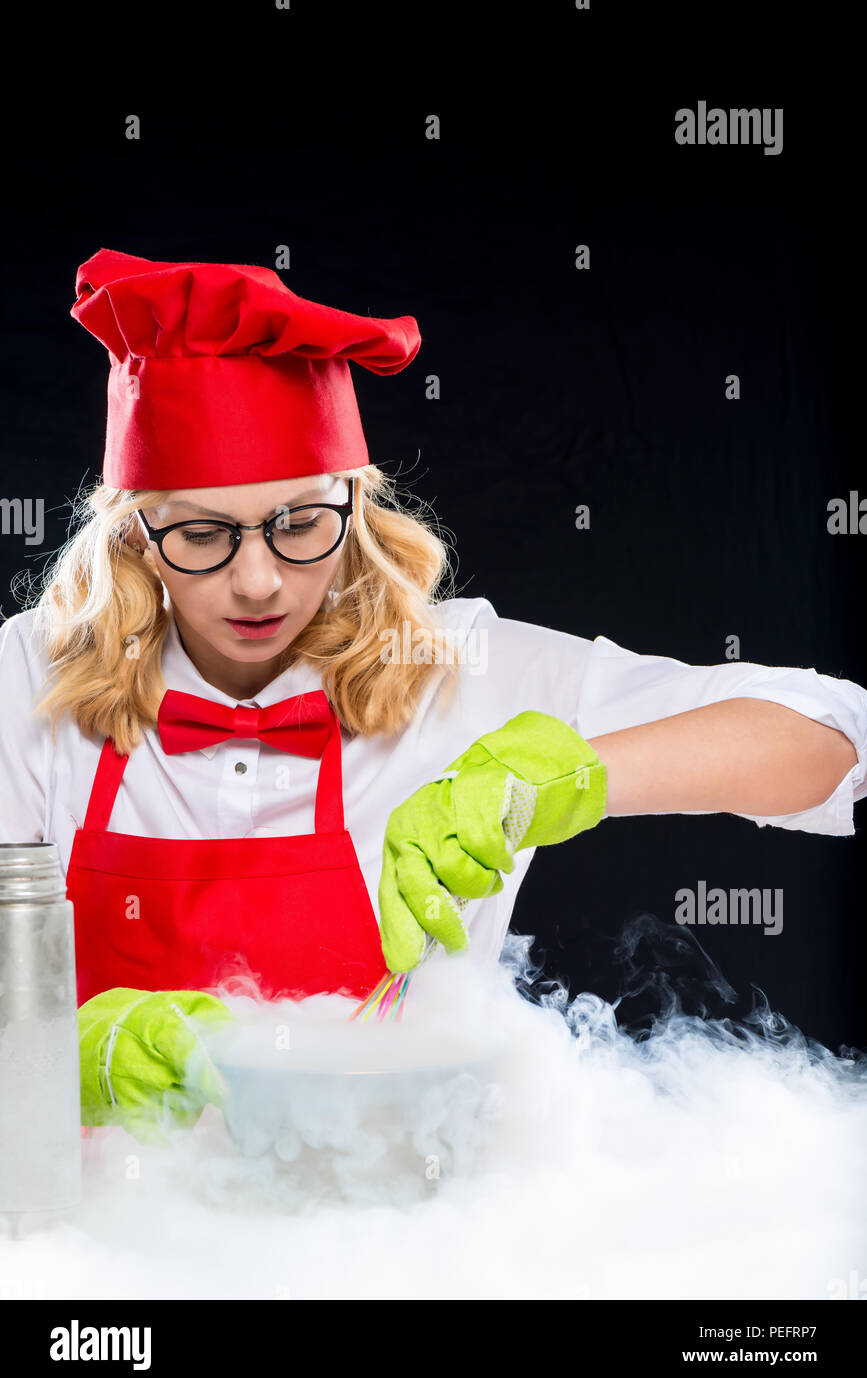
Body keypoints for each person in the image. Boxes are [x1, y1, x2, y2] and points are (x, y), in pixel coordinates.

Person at [0, 248, 864, 1143]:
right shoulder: (29, 679)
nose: (256, 581)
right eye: (204, 533)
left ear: (356, 507)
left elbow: (831, 737)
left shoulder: (460, 665)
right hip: (105, 1248)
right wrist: (54, 1055)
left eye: (300, 522)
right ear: (137, 536)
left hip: (411, 1240)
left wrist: (561, 779)